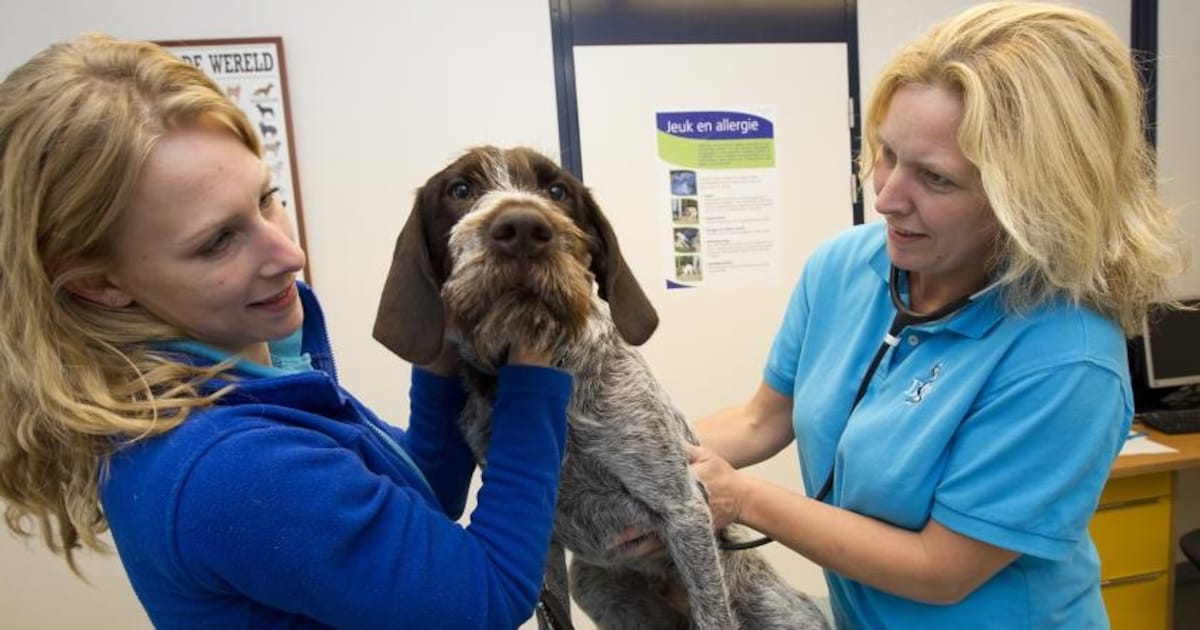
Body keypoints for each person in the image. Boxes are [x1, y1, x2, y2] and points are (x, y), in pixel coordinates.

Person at [0, 34, 572, 629]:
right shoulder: (231, 466)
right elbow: (486, 597)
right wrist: (537, 363)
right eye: (217, 241)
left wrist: (442, 350)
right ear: (98, 284)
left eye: (266, 199)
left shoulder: (250, 373)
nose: (290, 254)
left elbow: (423, 493)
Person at [686, 3, 1188, 628]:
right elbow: (764, 417)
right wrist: (646, 460)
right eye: (888, 154)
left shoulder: (1067, 356)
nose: (887, 196)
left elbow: (939, 570)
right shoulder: (845, 267)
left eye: (936, 178)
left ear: (1030, 199)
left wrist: (740, 497)